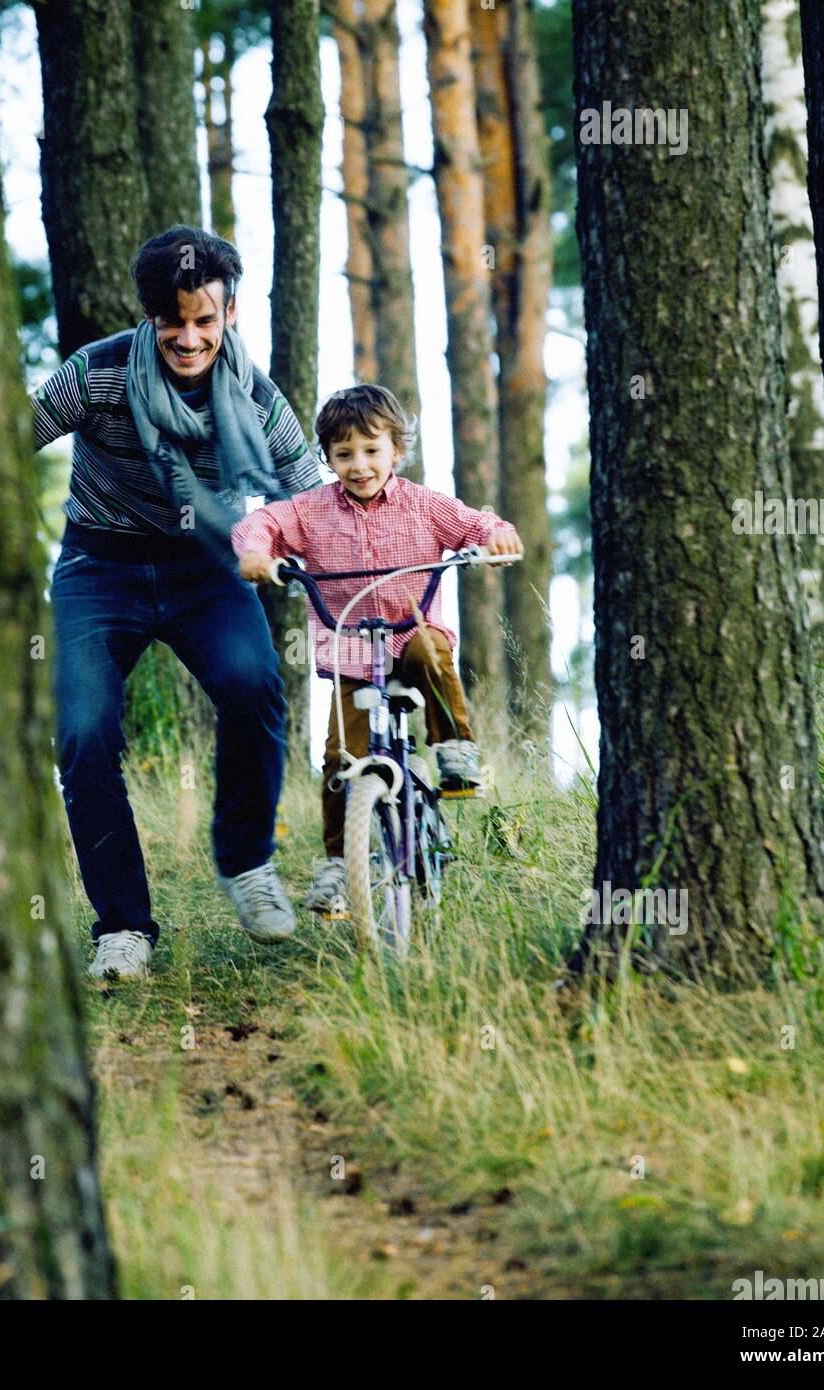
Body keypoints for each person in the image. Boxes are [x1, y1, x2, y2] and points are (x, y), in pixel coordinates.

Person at [32, 226, 321, 982]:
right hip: (100, 566)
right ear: (148, 314)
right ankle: (123, 926)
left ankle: (249, 866)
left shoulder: (256, 396)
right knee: (84, 732)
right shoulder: (94, 376)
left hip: (208, 573)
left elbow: (314, 498)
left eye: (205, 320)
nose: (189, 338)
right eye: (172, 321)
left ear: (231, 313)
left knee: (254, 685)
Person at [232, 384, 522, 914]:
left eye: (371, 450)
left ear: (396, 451)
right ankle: (339, 868)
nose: (359, 465)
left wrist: (498, 536)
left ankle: (454, 749)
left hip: (411, 636)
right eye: (344, 454)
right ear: (328, 458)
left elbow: (479, 524)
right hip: (350, 650)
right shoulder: (313, 511)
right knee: (340, 760)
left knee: (431, 650)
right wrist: (254, 552)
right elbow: (263, 522)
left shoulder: (424, 505)